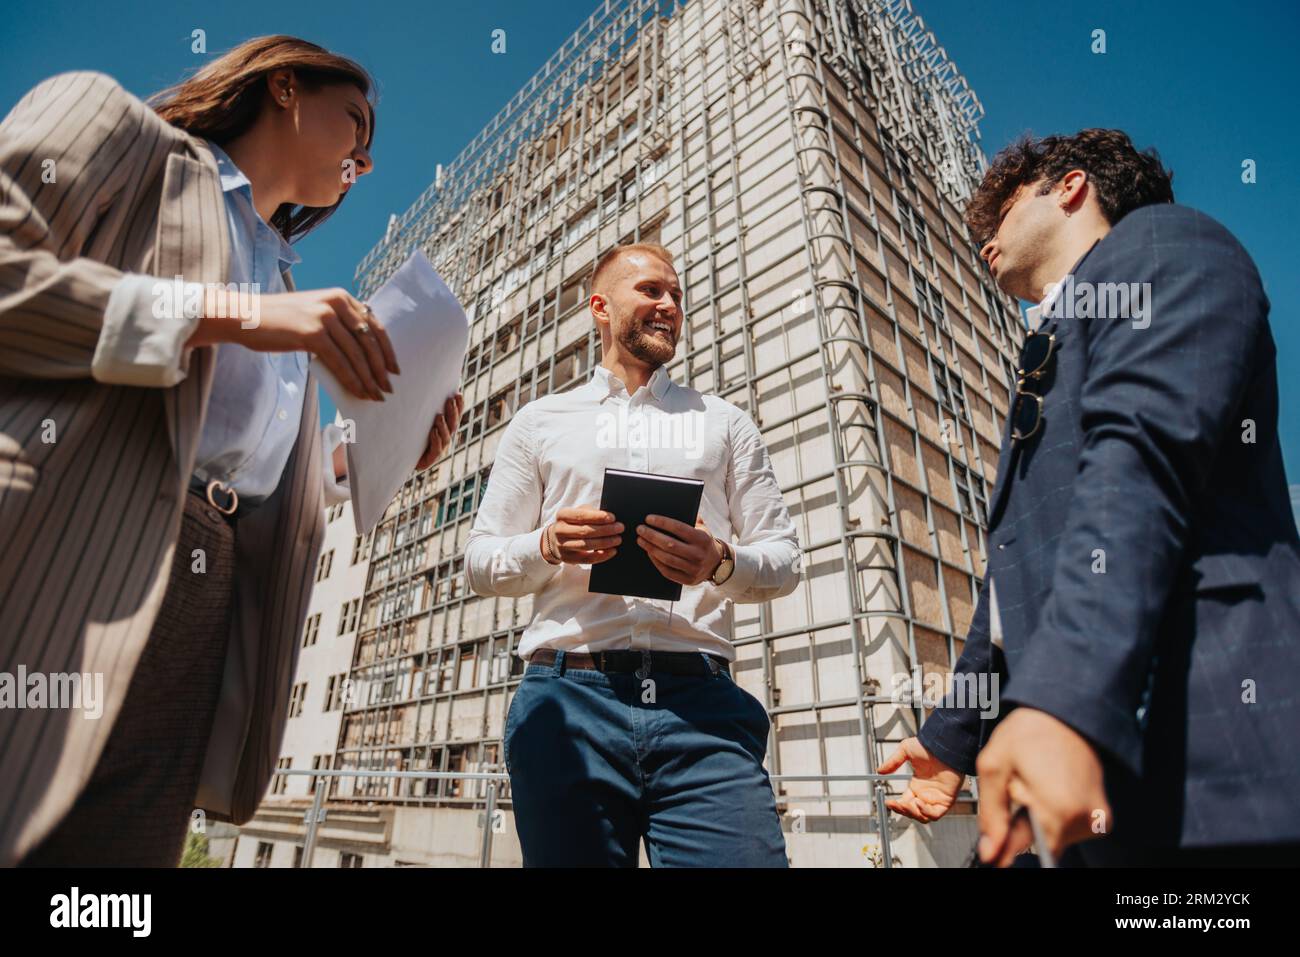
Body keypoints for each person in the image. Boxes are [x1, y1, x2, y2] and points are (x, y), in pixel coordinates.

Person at [0, 36, 462, 867]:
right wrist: (235, 315)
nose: (362, 156)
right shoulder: (121, 133)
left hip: (205, 595)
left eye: (367, 156)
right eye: (353, 122)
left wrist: (378, 452)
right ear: (284, 85)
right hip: (67, 538)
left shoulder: (287, 289)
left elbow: (249, 460)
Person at [878, 129, 1300, 866]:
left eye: (1001, 211)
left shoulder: (1163, 244)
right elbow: (1016, 592)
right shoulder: (1053, 347)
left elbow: (1138, 468)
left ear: (1070, 187)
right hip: (1085, 784)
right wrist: (952, 741)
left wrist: (1063, 700)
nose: (984, 239)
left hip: (1205, 761)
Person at [465, 243, 802, 866]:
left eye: (676, 295)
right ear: (600, 307)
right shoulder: (541, 421)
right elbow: (480, 562)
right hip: (569, 702)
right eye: (651, 291)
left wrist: (720, 562)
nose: (669, 305)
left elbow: (783, 559)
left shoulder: (725, 423)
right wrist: (546, 544)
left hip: (701, 711)